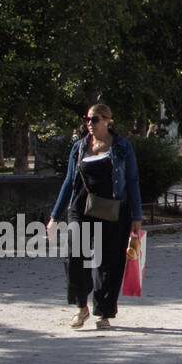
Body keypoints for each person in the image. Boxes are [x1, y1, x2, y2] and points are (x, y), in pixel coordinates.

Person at [46, 103, 144, 330]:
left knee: (110, 262)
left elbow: (132, 181)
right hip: (80, 208)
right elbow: (69, 182)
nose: (90, 123)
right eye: (87, 119)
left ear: (108, 121)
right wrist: (54, 216)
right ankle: (82, 306)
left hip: (113, 209)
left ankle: (104, 312)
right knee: (74, 256)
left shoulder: (122, 147)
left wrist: (137, 216)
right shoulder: (79, 147)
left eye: (95, 119)